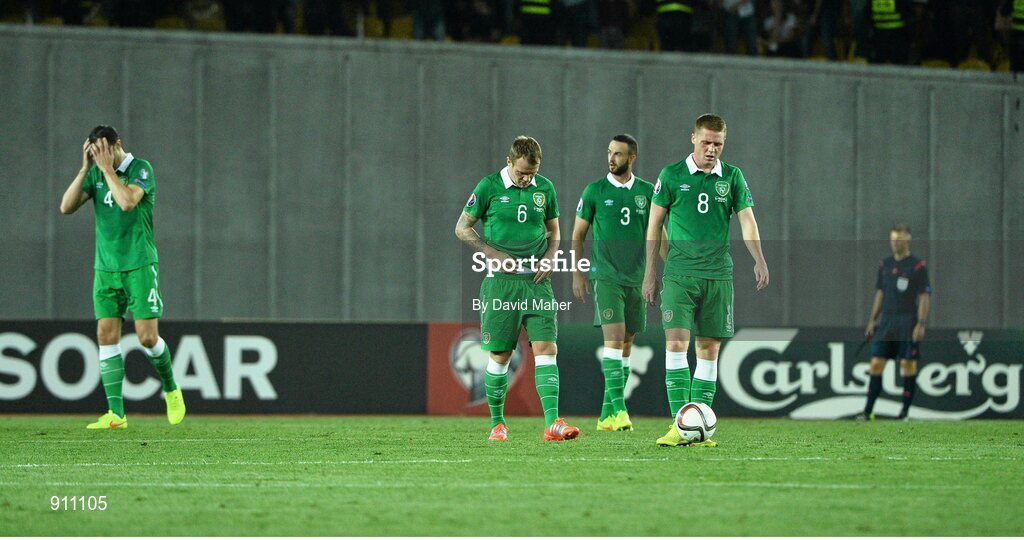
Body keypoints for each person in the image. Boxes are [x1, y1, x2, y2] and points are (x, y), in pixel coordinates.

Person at [642, 114, 769, 447]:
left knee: (709, 349)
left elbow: (748, 222)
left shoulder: (733, 177)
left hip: (718, 276)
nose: (712, 149)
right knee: (675, 344)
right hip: (680, 274)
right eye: (706, 142)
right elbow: (653, 226)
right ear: (693, 139)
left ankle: (698, 431)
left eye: (718, 144)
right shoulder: (671, 175)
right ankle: (678, 425)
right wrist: (650, 273)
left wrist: (759, 258)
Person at [455, 136, 580, 442]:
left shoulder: (545, 188)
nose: (527, 179)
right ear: (509, 162)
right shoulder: (488, 187)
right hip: (501, 285)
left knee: (547, 349)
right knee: (500, 355)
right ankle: (498, 423)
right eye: (522, 173)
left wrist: (552, 256)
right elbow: (461, 228)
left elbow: (554, 230)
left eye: (532, 174)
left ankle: (553, 423)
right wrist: (491, 253)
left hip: (538, 284)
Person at [59, 125, 186, 430]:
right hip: (105, 268)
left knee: (147, 337)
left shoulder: (141, 169)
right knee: (106, 334)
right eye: (95, 152)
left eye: (104, 150)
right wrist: (84, 170)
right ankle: (116, 413)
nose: (101, 157)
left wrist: (106, 171)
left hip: (139, 265)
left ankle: (170, 387)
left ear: (118, 145)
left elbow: (127, 202)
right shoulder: (95, 173)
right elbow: (65, 207)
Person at [572, 135, 655, 432]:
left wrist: (664, 270)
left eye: (618, 154)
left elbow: (658, 233)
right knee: (615, 339)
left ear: (632, 157)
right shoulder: (595, 191)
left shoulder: (648, 191)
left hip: (636, 277)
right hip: (606, 276)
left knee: (628, 341)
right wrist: (578, 272)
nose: (611, 158)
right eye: (609, 152)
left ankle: (606, 415)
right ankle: (620, 410)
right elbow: (578, 233)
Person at [861, 225, 931, 421]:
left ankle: (904, 413)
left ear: (907, 240)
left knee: (908, 365)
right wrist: (872, 320)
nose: (895, 243)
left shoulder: (918, 266)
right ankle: (868, 412)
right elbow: (880, 293)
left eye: (899, 239)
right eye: (892, 239)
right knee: (876, 364)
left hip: (908, 321)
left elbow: (925, 296)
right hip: (887, 322)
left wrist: (921, 323)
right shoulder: (885, 264)